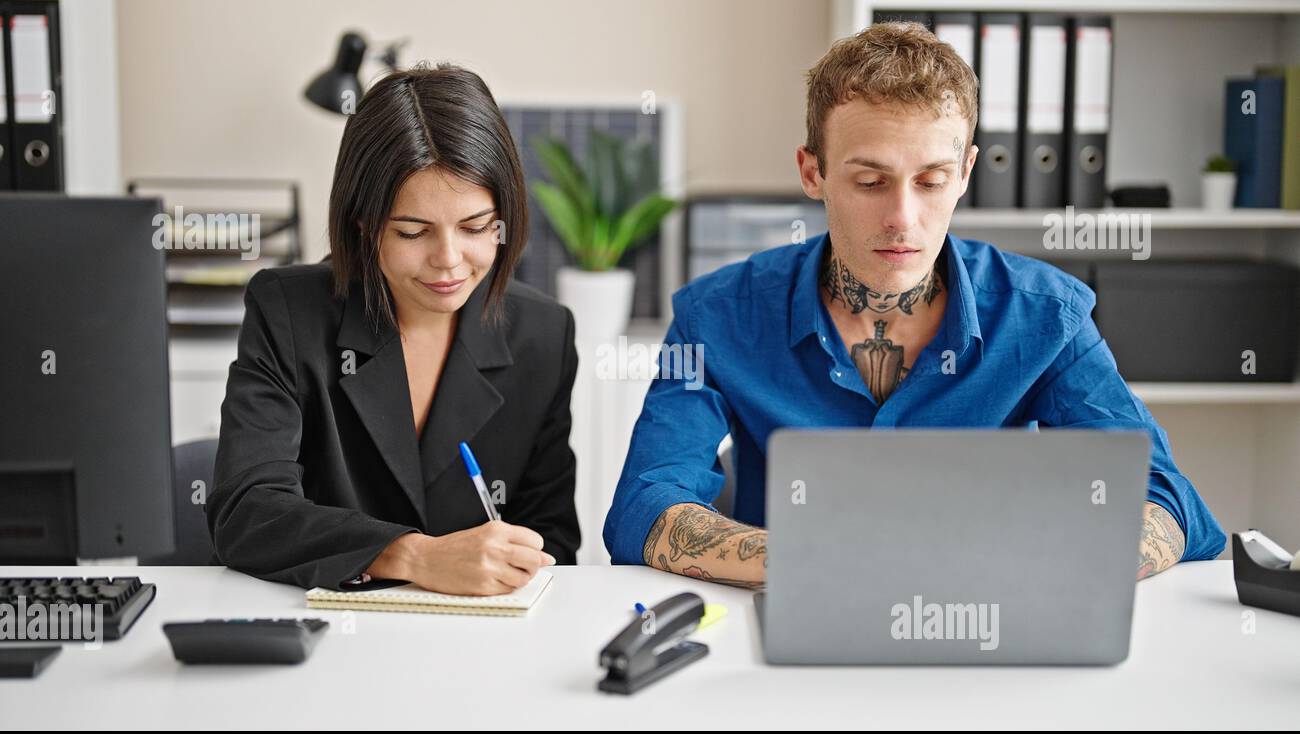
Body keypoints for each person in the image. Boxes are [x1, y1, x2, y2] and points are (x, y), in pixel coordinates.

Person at [604, 23, 1224, 586]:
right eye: (869, 182)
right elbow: (646, 506)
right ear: (812, 173)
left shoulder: (1046, 315)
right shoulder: (714, 317)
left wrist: (1035, 563)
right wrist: (828, 560)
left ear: (966, 172)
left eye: (930, 181)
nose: (903, 218)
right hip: (795, 619)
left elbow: (1167, 501)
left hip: (988, 619)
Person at [208, 64, 579, 593]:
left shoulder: (544, 333)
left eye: (475, 227)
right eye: (412, 231)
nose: (448, 261)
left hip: (480, 645)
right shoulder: (289, 311)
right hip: (328, 633)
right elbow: (246, 513)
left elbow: (553, 542)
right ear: (363, 225)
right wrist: (415, 557)